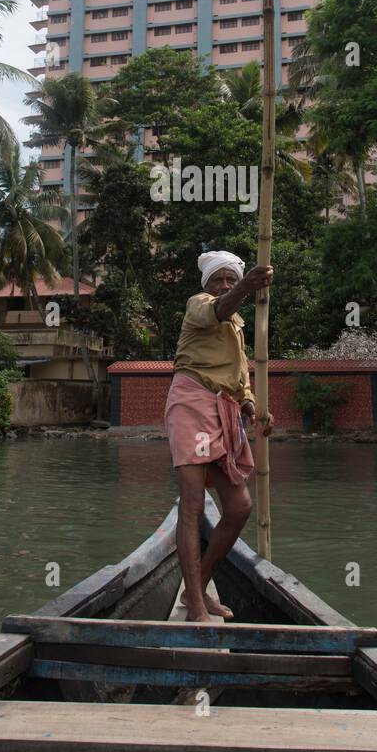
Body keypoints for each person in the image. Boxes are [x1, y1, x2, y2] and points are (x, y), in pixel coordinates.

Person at [165, 250, 274, 622]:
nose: (225, 284)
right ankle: (196, 604)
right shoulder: (200, 304)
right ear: (208, 284)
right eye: (219, 279)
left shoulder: (239, 325)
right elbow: (218, 311)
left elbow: (240, 381)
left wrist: (253, 408)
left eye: (232, 278)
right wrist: (245, 285)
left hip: (225, 410)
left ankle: (197, 587)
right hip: (192, 401)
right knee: (192, 505)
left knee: (240, 507)